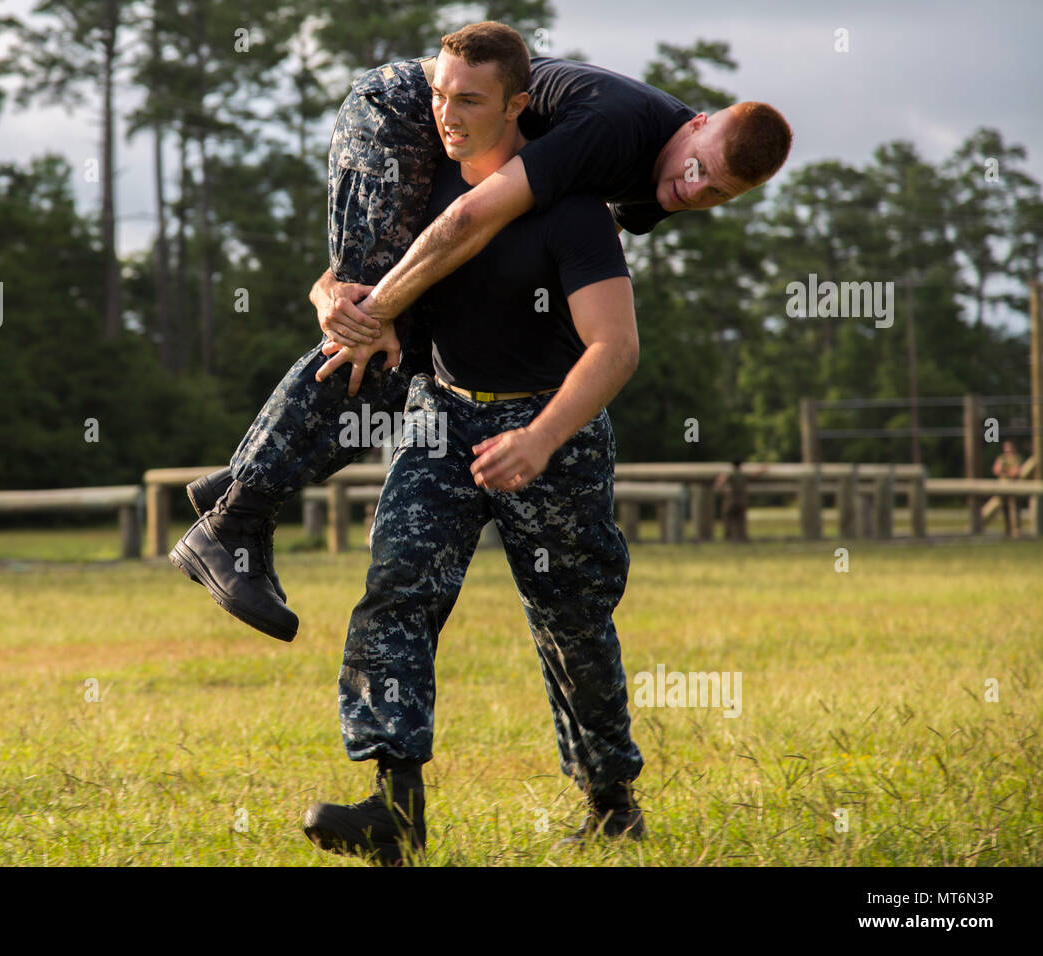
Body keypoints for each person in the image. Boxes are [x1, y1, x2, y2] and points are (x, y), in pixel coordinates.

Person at [171, 21, 794, 642]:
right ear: (696, 122)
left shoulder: (664, 183)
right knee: (376, 336)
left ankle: (244, 483)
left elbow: (555, 246)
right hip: (411, 110)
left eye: (718, 192)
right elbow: (469, 218)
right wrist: (373, 301)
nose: (693, 191)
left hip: (471, 138)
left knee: (415, 348)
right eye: (697, 168)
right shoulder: (615, 128)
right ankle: (236, 520)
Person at [299, 28, 644, 864]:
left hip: (549, 429)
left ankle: (610, 799)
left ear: (518, 105)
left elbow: (615, 346)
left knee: (573, 621)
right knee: (396, 592)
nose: (447, 116)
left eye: (471, 100)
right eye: (441, 96)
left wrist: (539, 438)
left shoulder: (571, 207)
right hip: (438, 416)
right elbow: (343, 278)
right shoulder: (418, 181)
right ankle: (393, 805)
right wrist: (329, 299)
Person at [992, 441, 1023, 537]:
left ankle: (1016, 530)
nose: (1007, 450)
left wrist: (1003, 470)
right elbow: (995, 470)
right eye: (1006, 448)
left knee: (1014, 509)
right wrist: (1005, 471)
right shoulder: (1001, 458)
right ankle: (1007, 530)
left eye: (1009, 448)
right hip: (1002, 488)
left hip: (1014, 488)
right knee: (1004, 509)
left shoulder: (1017, 458)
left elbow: (1015, 473)